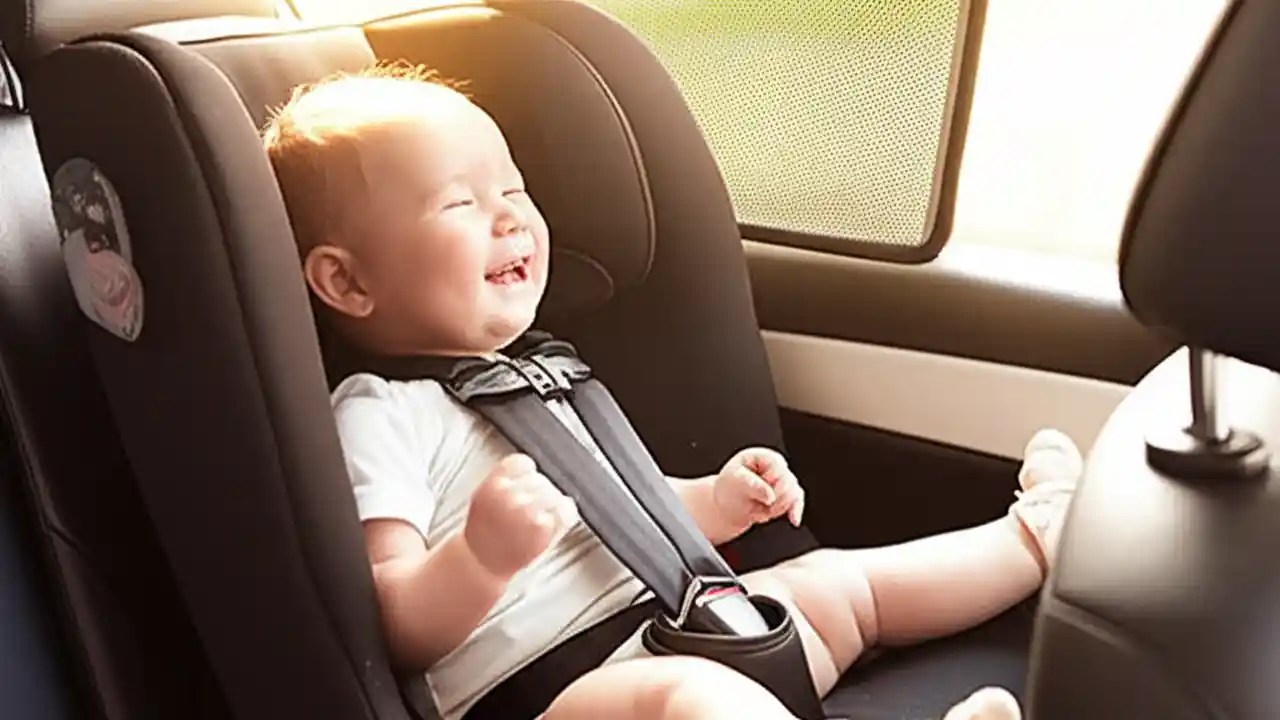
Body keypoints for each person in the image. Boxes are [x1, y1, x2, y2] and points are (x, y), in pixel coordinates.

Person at [261, 63, 1079, 720]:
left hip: (680, 617)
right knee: (690, 700)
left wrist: (718, 502)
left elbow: (629, 513)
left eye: (514, 192)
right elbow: (397, 622)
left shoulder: (544, 374)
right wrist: (478, 558)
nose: (510, 219)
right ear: (346, 280)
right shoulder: (377, 412)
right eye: (460, 203)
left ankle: (1036, 538)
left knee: (837, 586)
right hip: (555, 687)